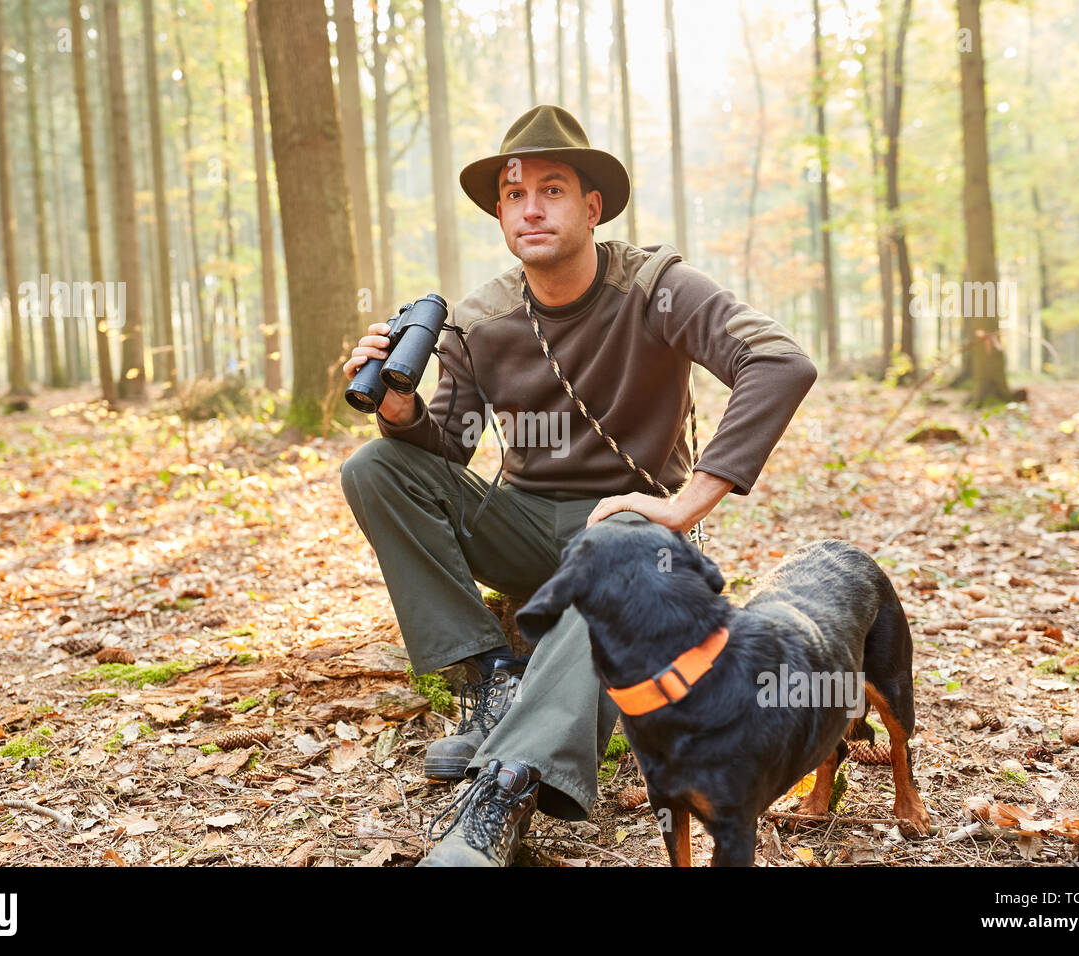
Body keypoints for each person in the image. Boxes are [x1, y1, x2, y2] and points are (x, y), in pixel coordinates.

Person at [339, 105, 818, 866]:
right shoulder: (482, 317)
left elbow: (779, 362)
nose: (530, 207)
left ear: (591, 207)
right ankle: (493, 678)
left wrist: (687, 502)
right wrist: (399, 409)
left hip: (631, 532)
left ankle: (508, 787)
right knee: (374, 466)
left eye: (552, 190)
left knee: (618, 558)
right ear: (499, 212)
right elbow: (449, 449)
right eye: (514, 193)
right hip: (525, 523)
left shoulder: (659, 287)